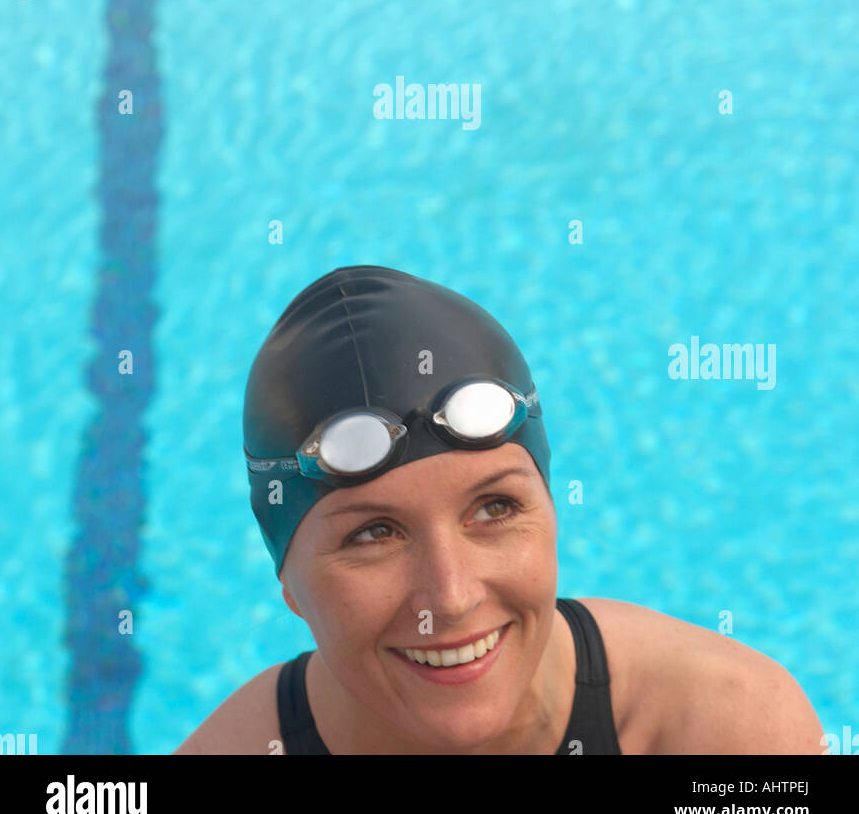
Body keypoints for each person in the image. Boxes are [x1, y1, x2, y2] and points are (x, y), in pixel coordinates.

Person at [175, 265, 824, 756]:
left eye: (493, 507)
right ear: (288, 577)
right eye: (374, 533)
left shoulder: (727, 729)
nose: (450, 598)